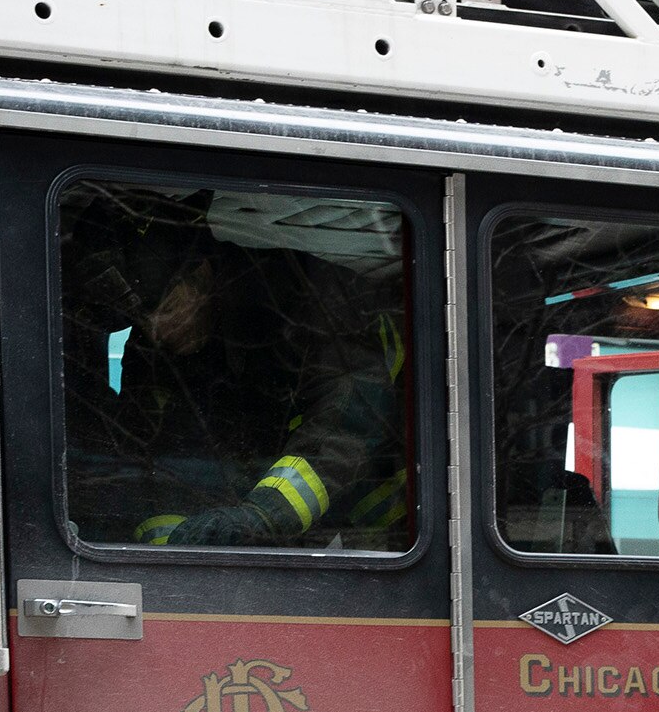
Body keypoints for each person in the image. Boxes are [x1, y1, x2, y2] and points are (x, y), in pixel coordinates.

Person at [62, 192, 412, 551]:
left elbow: (350, 416)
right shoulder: (158, 360)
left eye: (165, 309)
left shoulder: (309, 299)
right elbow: (158, 467)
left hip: (406, 516)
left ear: (200, 275)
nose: (155, 332)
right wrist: (179, 547)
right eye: (140, 322)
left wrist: (265, 515)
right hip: (310, 538)